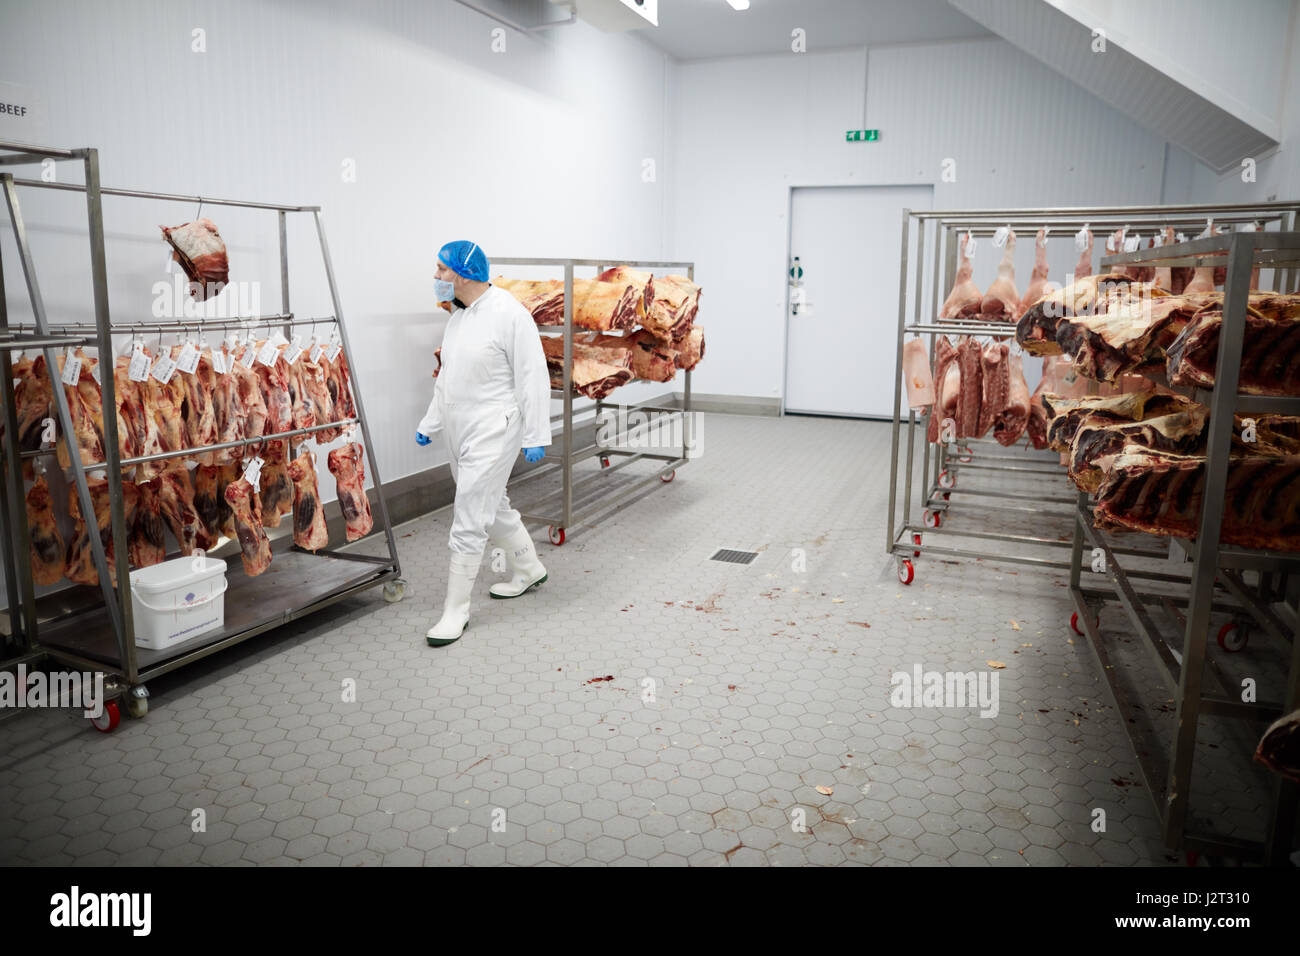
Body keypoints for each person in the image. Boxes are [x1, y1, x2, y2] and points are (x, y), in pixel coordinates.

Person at [416, 240, 552, 646]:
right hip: (461, 427)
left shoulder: (510, 314)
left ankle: (456, 611)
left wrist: (536, 434)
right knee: (491, 504)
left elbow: (533, 377)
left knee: (470, 515)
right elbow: (449, 377)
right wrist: (431, 421)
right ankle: (528, 567)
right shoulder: (458, 317)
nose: (436, 278)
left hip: (496, 426)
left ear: (462, 273)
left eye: (441, 270)